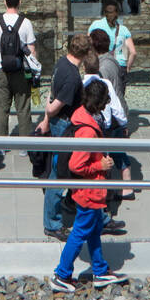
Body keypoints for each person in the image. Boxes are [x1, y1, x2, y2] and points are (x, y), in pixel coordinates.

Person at [49, 80, 123, 294]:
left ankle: (99, 270)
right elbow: (76, 164)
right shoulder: (88, 131)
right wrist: (100, 165)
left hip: (88, 191)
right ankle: (62, 274)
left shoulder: (81, 115)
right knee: (81, 231)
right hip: (90, 191)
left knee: (93, 230)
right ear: (101, 102)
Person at [37, 33, 90, 240]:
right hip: (65, 126)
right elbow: (54, 105)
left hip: (61, 124)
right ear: (85, 54)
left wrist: (46, 118)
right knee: (58, 176)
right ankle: (52, 223)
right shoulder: (73, 77)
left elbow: (50, 95)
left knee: (70, 171)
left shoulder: (62, 63)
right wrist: (48, 115)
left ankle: (73, 206)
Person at [90, 29, 134, 200]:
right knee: (119, 150)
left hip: (111, 116)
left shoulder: (102, 67)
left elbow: (102, 94)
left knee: (105, 152)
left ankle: (106, 191)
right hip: (119, 112)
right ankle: (127, 187)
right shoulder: (113, 61)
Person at [0, 0, 36, 146]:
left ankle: (1, 145)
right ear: (20, 2)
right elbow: (32, 50)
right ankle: (24, 145)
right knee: (23, 107)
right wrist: (33, 70)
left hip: (2, 68)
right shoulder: (26, 23)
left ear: (4, 2)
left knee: (2, 108)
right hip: (21, 69)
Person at [88, 1, 136, 102]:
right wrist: (127, 67)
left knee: (100, 96)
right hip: (119, 65)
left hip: (100, 63)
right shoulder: (123, 30)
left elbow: (88, 45)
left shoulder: (96, 25)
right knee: (118, 96)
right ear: (117, 13)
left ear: (105, 13)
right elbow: (132, 52)